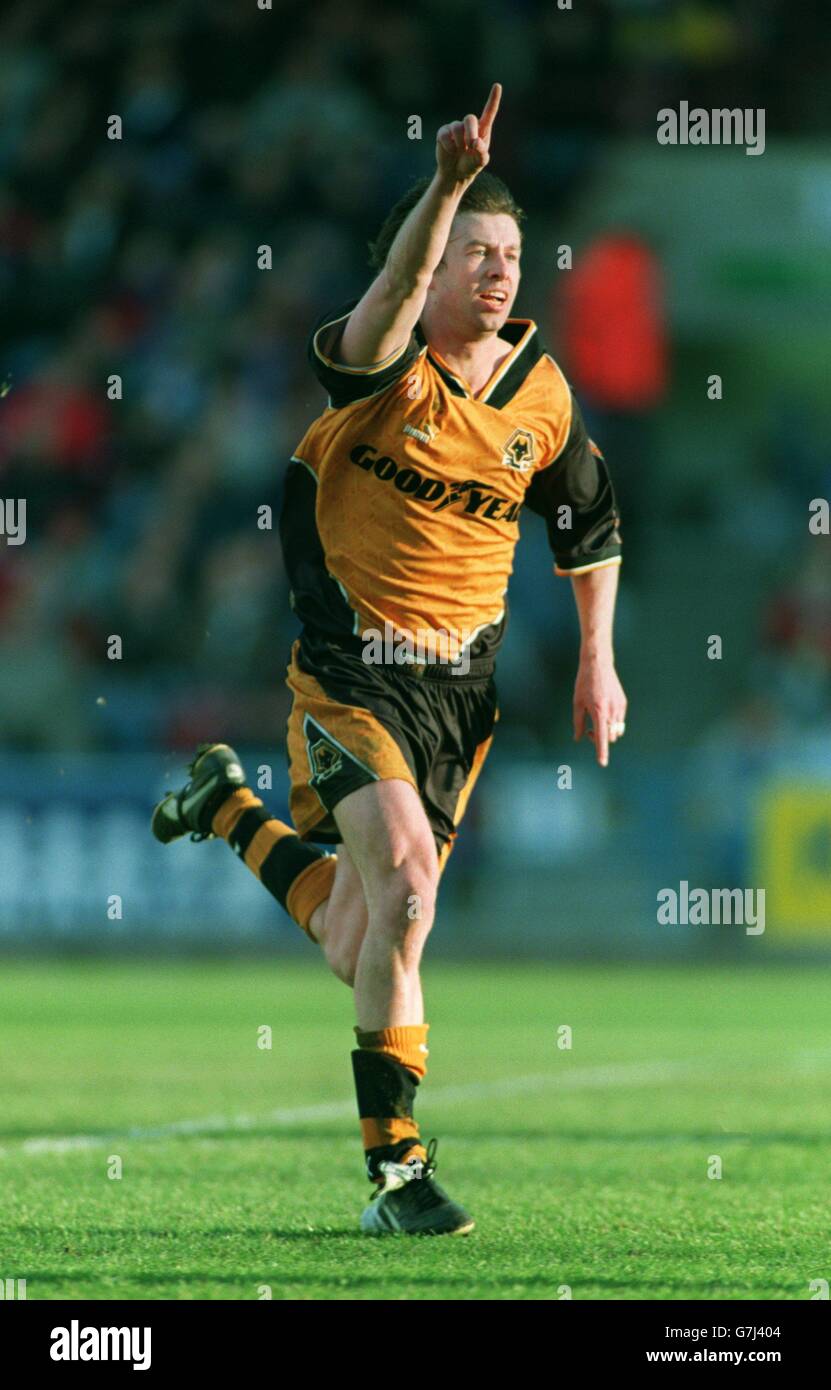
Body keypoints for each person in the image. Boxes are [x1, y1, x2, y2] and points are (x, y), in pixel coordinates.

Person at [152, 84, 627, 1235]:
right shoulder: (383, 369)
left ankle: (225, 810)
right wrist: (448, 183)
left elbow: (591, 527)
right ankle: (397, 1176)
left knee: (363, 933)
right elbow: (392, 299)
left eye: (511, 253)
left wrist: (597, 661)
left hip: (459, 698)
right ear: (431, 261)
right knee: (407, 888)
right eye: (475, 250)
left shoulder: (544, 398)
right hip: (352, 674)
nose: (498, 271)